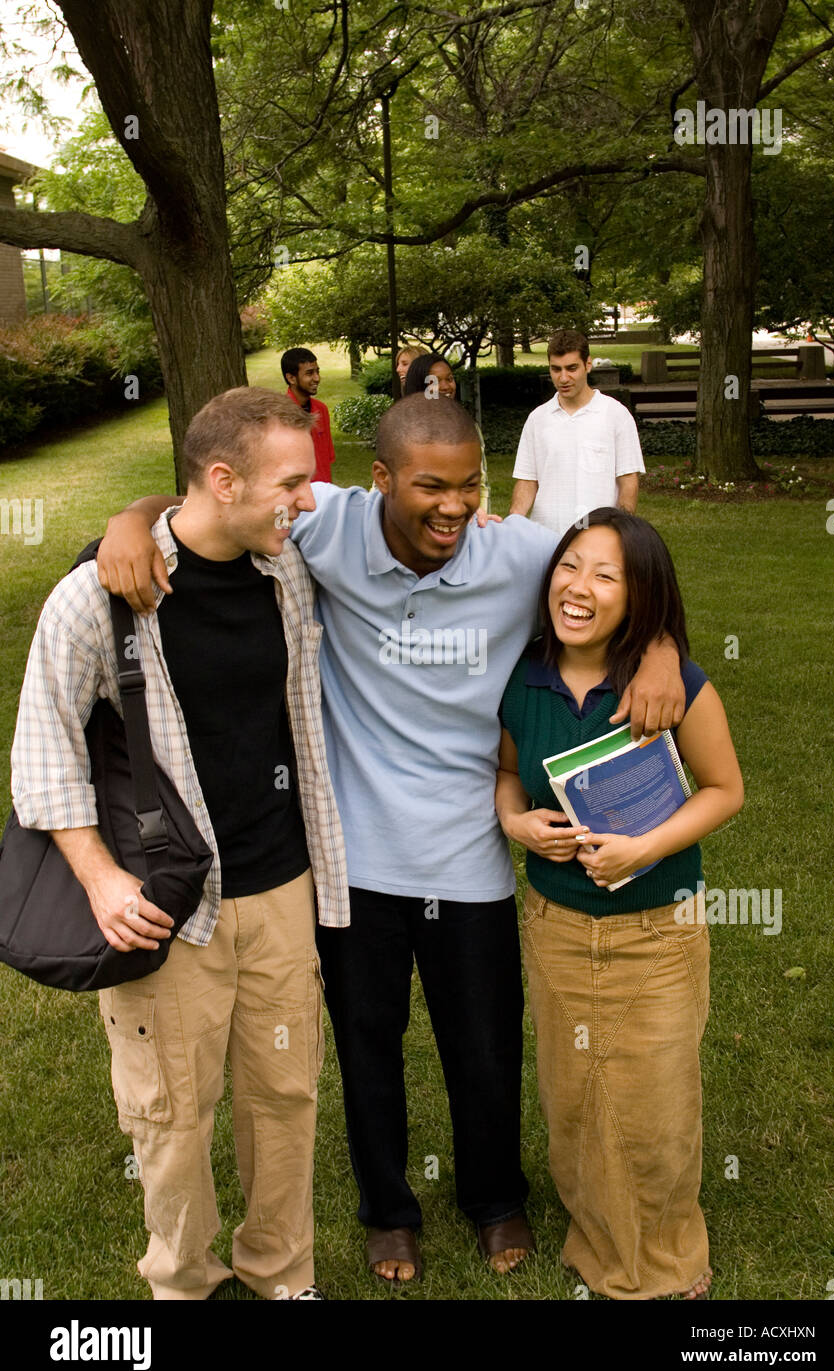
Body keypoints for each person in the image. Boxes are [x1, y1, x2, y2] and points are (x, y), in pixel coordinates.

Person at [95, 395, 686, 1287]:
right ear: (378, 483)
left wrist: (667, 648)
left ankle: (494, 1197)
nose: (453, 507)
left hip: (474, 857)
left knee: (482, 1048)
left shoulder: (519, 552)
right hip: (352, 865)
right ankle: (388, 1211)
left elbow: (620, 572)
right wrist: (128, 520)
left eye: (469, 486)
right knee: (367, 1045)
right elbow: (203, 503)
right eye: (430, 488)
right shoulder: (320, 524)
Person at [11, 387, 350, 1301]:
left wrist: (142, 509)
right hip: (164, 901)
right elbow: (42, 755)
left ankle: (282, 1276)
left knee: (285, 1098)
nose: (308, 502)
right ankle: (184, 1284)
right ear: (223, 479)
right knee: (171, 1119)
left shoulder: (285, 572)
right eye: (291, 483)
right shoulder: (97, 596)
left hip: (281, 886)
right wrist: (98, 878)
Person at [496, 507, 744, 1300]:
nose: (579, 586)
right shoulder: (522, 675)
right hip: (556, 926)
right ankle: (594, 1241)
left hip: (655, 929)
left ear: (640, 599)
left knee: (654, 1105)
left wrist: (649, 846)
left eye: (607, 576)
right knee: (574, 1100)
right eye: (570, 565)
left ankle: (670, 1265)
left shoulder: (668, 685)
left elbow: (725, 790)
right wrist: (516, 822)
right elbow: (506, 773)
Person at [509, 329, 645, 532]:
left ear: (588, 365)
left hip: (597, 537)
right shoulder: (537, 419)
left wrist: (621, 534)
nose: (563, 378)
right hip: (546, 536)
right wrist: (512, 525)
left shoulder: (616, 415)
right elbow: (527, 481)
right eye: (556, 369)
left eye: (571, 368)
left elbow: (628, 482)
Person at [404, 352, 490, 511]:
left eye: (449, 379)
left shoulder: (468, 428)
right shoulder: (403, 430)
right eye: (434, 381)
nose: (445, 387)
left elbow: (481, 485)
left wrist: (480, 517)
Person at [280, 347, 336, 483]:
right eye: (309, 373)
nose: (317, 378)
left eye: (317, 372)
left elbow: (327, 459)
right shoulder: (280, 415)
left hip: (324, 495)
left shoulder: (321, 409)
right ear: (291, 378)